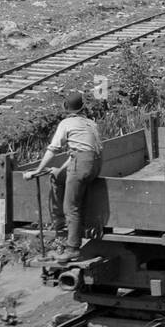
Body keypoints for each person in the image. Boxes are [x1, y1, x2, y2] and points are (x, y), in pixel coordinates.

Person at [30, 92, 102, 261]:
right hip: (95, 165)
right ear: (82, 108)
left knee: (71, 207)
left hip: (81, 166)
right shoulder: (91, 123)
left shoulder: (66, 123)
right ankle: (61, 223)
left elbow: (53, 149)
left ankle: (73, 248)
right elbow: (78, 152)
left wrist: (37, 170)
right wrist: (59, 170)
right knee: (57, 177)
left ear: (66, 110)